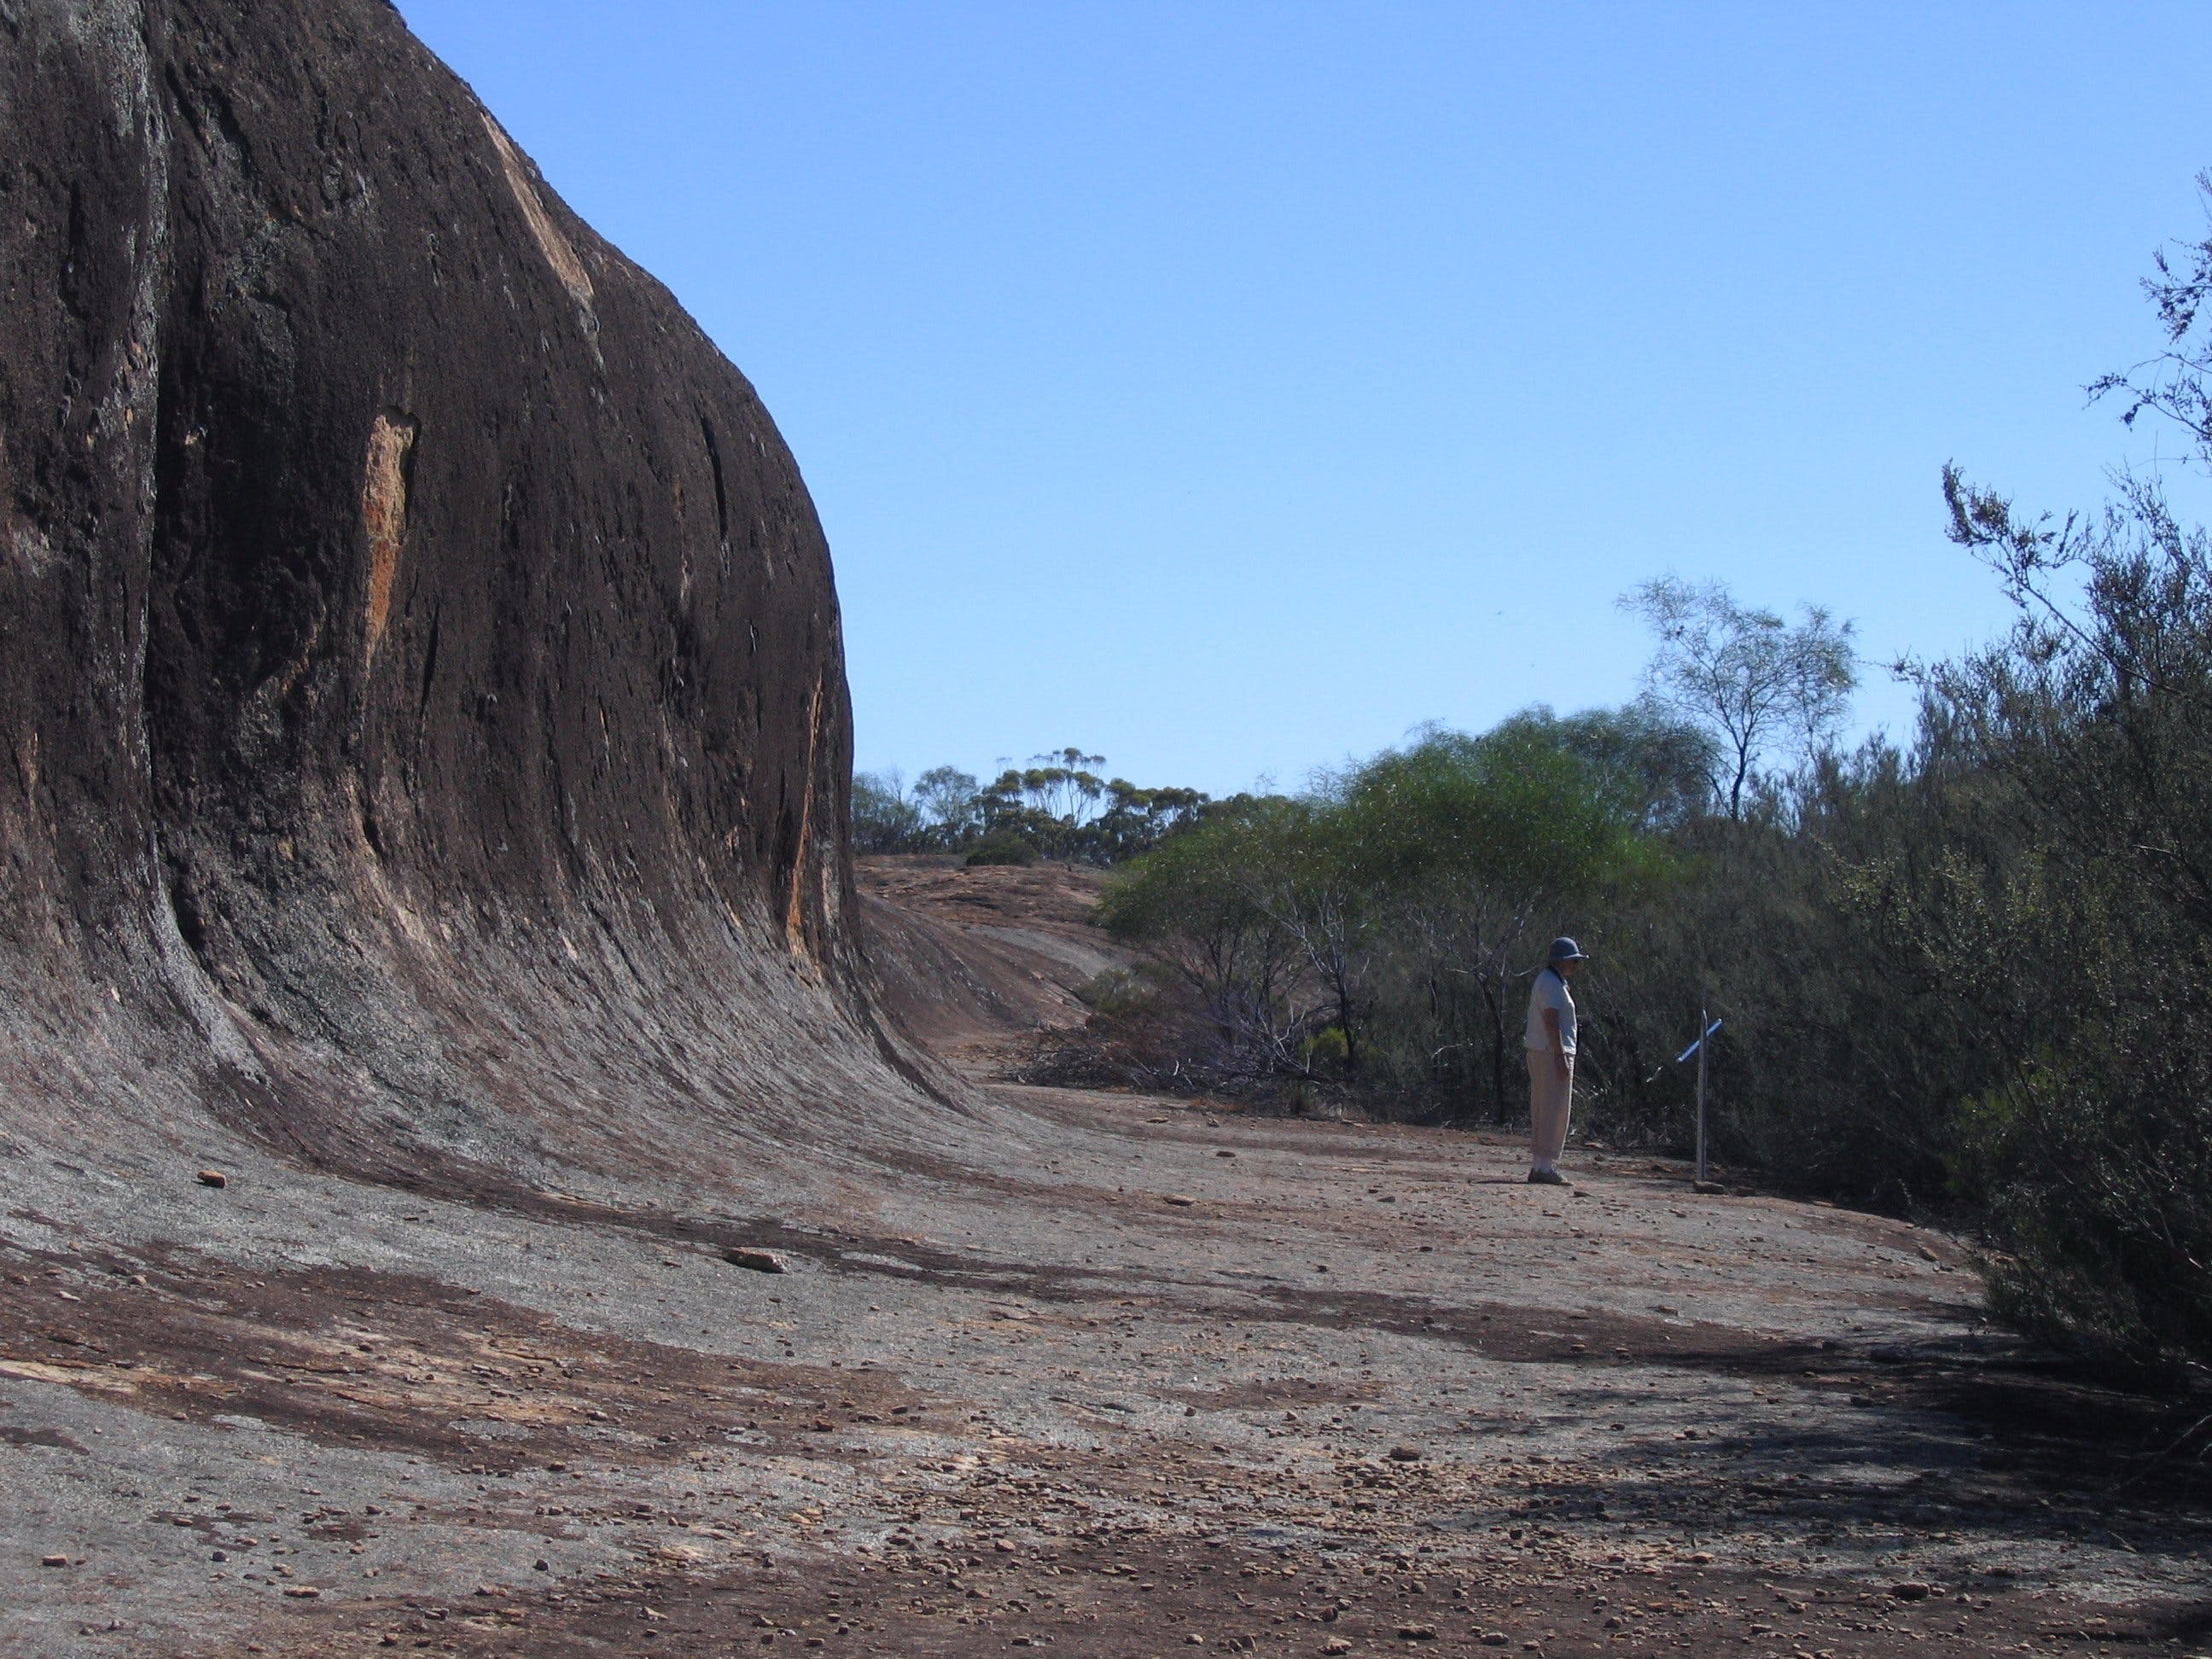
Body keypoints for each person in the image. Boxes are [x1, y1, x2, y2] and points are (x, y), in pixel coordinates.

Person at [1523, 937, 1586, 1185]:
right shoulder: (1551, 983)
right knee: (1554, 1108)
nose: (1576, 965)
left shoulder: (1551, 981)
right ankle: (1545, 1167)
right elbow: (1551, 1020)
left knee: (1544, 1107)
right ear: (1561, 961)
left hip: (1545, 1050)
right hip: (1551, 1052)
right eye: (1574, 961)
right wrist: (1560, 1056)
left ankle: (1540, 1164)